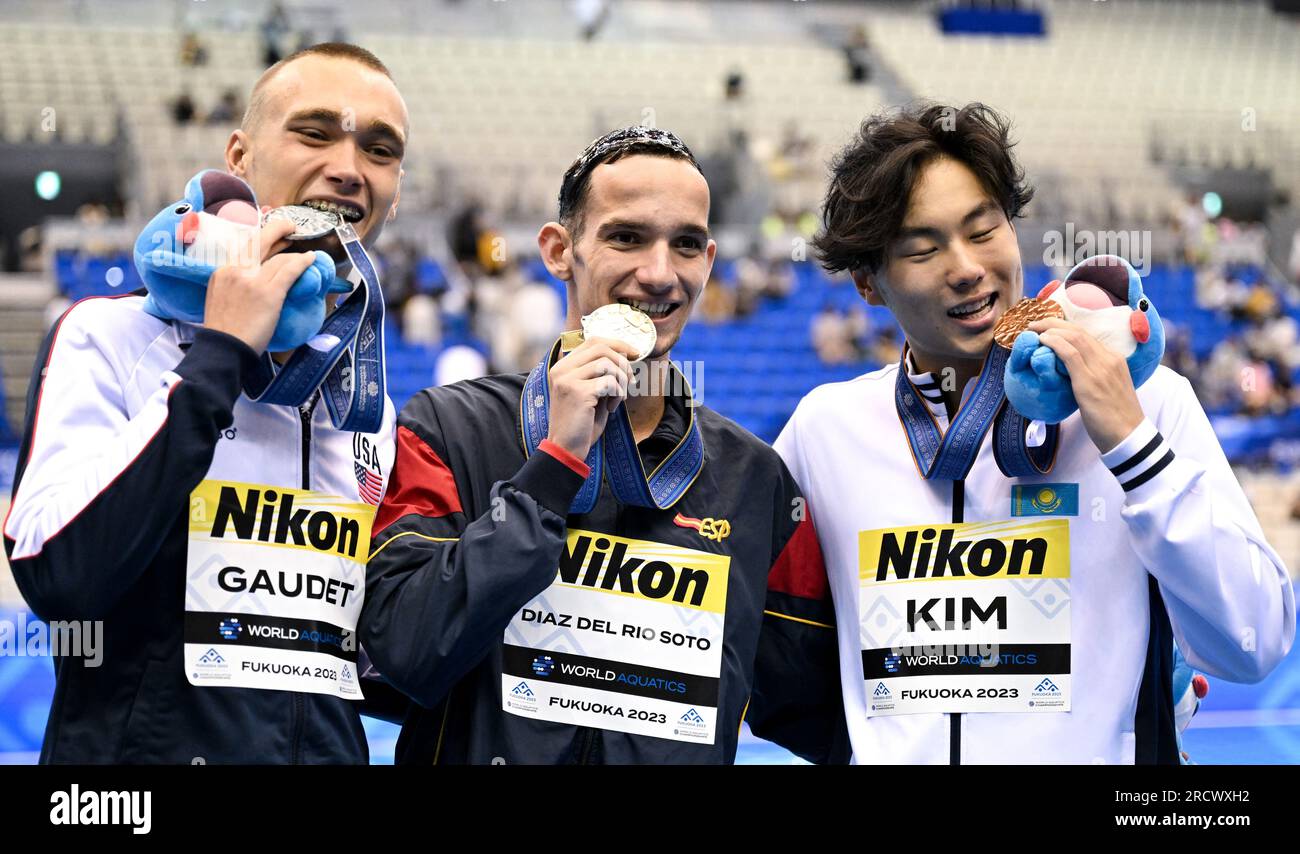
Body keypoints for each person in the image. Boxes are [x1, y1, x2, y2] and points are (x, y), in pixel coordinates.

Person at [772, 102, 1295, 764]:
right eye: (923, 247)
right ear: (869, 283)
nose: (965, 266)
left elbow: (1256, 644)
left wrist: (1134, 450)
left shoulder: (1148, 402)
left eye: (983, 229)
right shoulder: (826, 430)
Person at [360, 126, 842, 764]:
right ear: (560, 251)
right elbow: (407, 652)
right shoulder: (448, 430)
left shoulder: (754, 478)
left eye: (687, 245)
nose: (659, 274)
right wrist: (553, 468)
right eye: (627, 237)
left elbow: (821, 709)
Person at [3, 42, 408, 764]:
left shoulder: (362, 396)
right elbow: (59, 578)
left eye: (379, 149)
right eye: (315, 133)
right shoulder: (111, 334)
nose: (348, 166)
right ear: (240, 156)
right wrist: (220, 354)